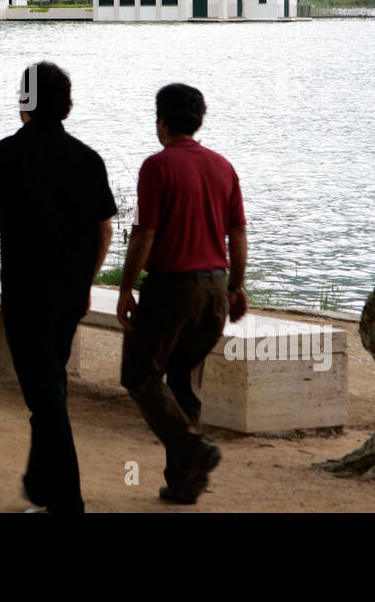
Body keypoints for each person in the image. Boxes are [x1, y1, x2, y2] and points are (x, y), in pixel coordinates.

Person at [0, 61, 117, 513]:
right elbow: (105, 231)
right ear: (68, 105)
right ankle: (41, 488)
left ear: (24, 103)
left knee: (45, 396)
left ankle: (67, 500)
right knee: (50, 387)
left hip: (25, 294)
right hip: (70, 296)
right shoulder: (88, 158)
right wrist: (88, 279)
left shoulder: (8, 153)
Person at [116, 82, 248, 505]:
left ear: (162, 121)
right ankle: (184, 483)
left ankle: (193, 448)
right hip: (214, 288)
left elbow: (145, 233)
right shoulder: (223, 167)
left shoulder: (157, 167)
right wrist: (237, 285)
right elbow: (238, 233)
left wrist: (125, 287)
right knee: (185, 381)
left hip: (172, 286)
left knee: (139, 372)